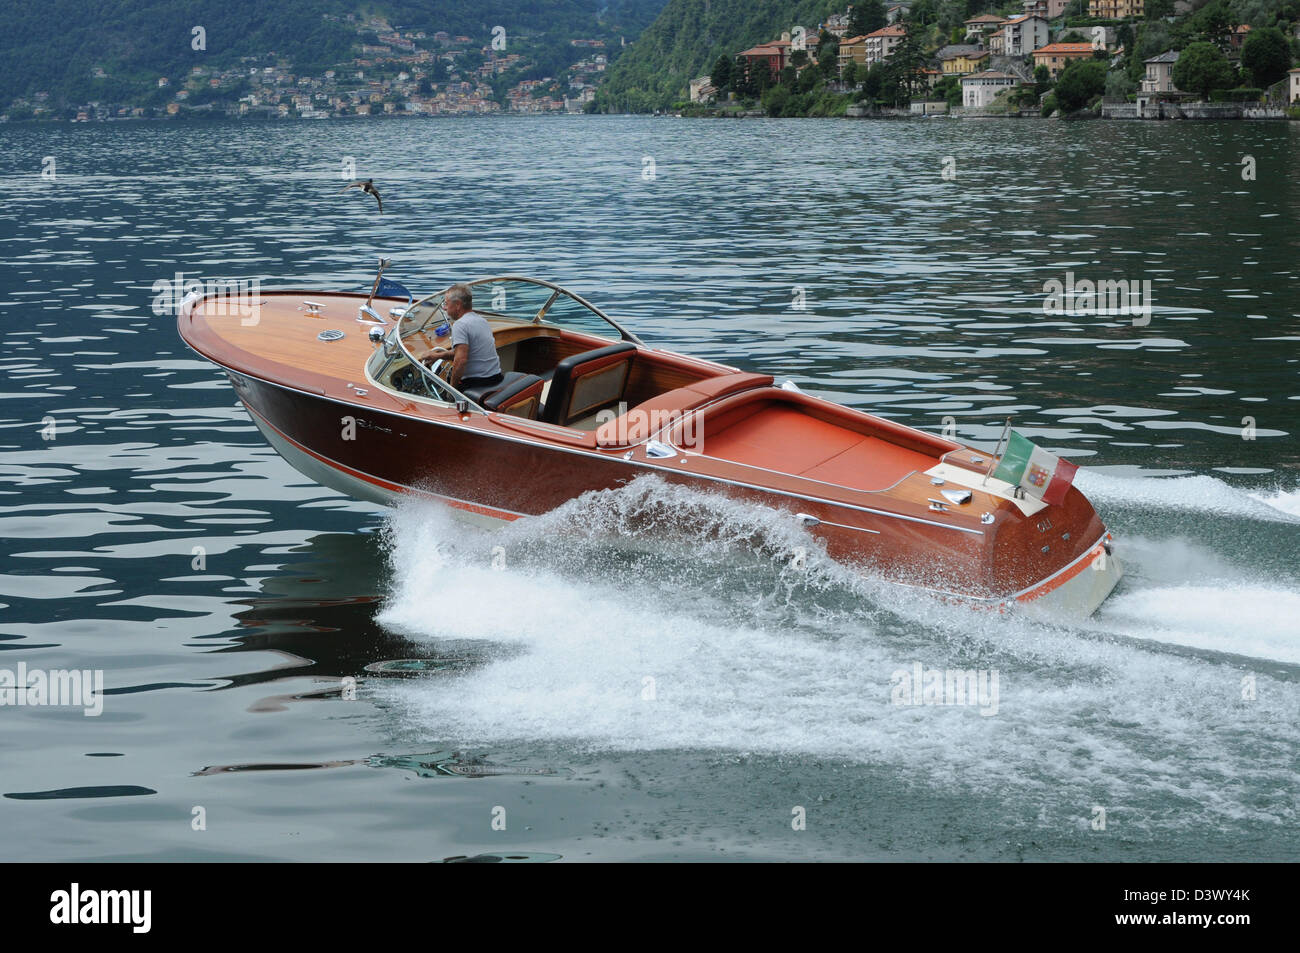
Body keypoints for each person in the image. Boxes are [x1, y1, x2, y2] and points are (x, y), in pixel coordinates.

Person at [421, 283, 502, 391]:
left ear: (458, 305)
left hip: (478, 383)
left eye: (446, 303)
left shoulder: (460, 325)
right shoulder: (482, 321)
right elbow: (464, 352)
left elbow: (460, 361)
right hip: (496, 377)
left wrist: (452, 390)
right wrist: (438, 356)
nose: (444, 308)